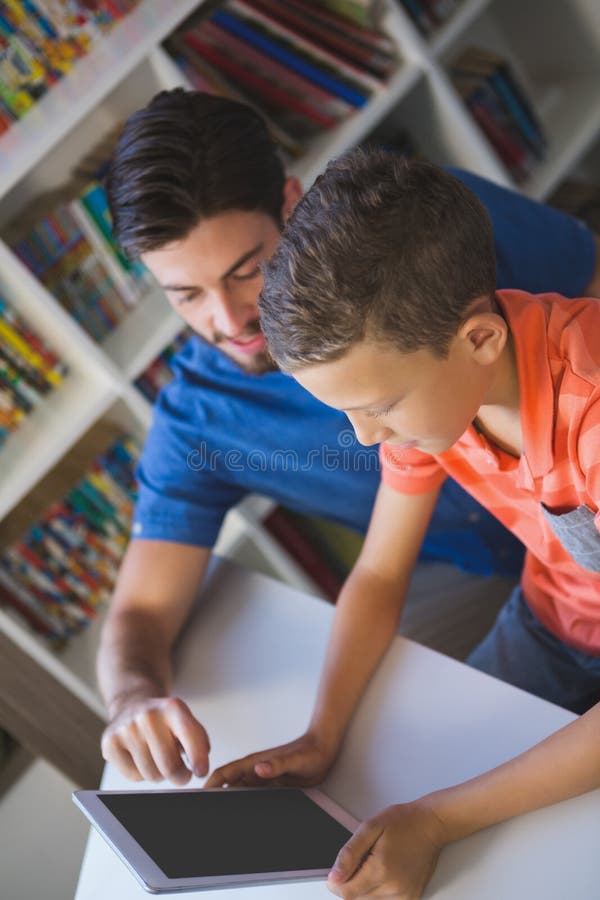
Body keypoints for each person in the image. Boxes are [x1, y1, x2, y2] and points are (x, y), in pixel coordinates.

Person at [97, 88, 600, 787]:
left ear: (293, 207)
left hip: (556, 528)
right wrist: (135, 700)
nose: (231, 317)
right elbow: (144, 609)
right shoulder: (205, 416)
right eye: (185, 295)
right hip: (520, 581)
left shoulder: (417, 224)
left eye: (248, 271)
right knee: (395, 765)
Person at [211, 149, 600, 900]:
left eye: (378, 407)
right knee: (407, 802)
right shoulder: (439, 388)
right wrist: (322, 733)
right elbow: (382, 571)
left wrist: (440, 819)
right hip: (558, 620)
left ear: (479, 340)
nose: (362, 438)